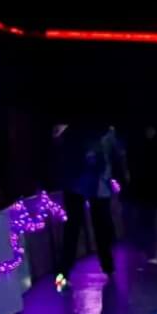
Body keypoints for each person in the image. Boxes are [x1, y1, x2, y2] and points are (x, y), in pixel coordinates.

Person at [52, 119, 125, 286]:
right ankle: (107, 267)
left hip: (80, 183)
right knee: (97, 227)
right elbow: (115, 158)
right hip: (92, 184)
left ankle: (65, 272)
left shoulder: (71, 131)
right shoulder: (106, 132)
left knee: (76, 228)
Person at [123, 124, 157, 263]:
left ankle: (151, 252)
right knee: (144, 220)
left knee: (149, 220)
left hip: (151, 190)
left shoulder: (155, 148)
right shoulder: (144, 148)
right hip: (144, 190)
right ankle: (147, 250)